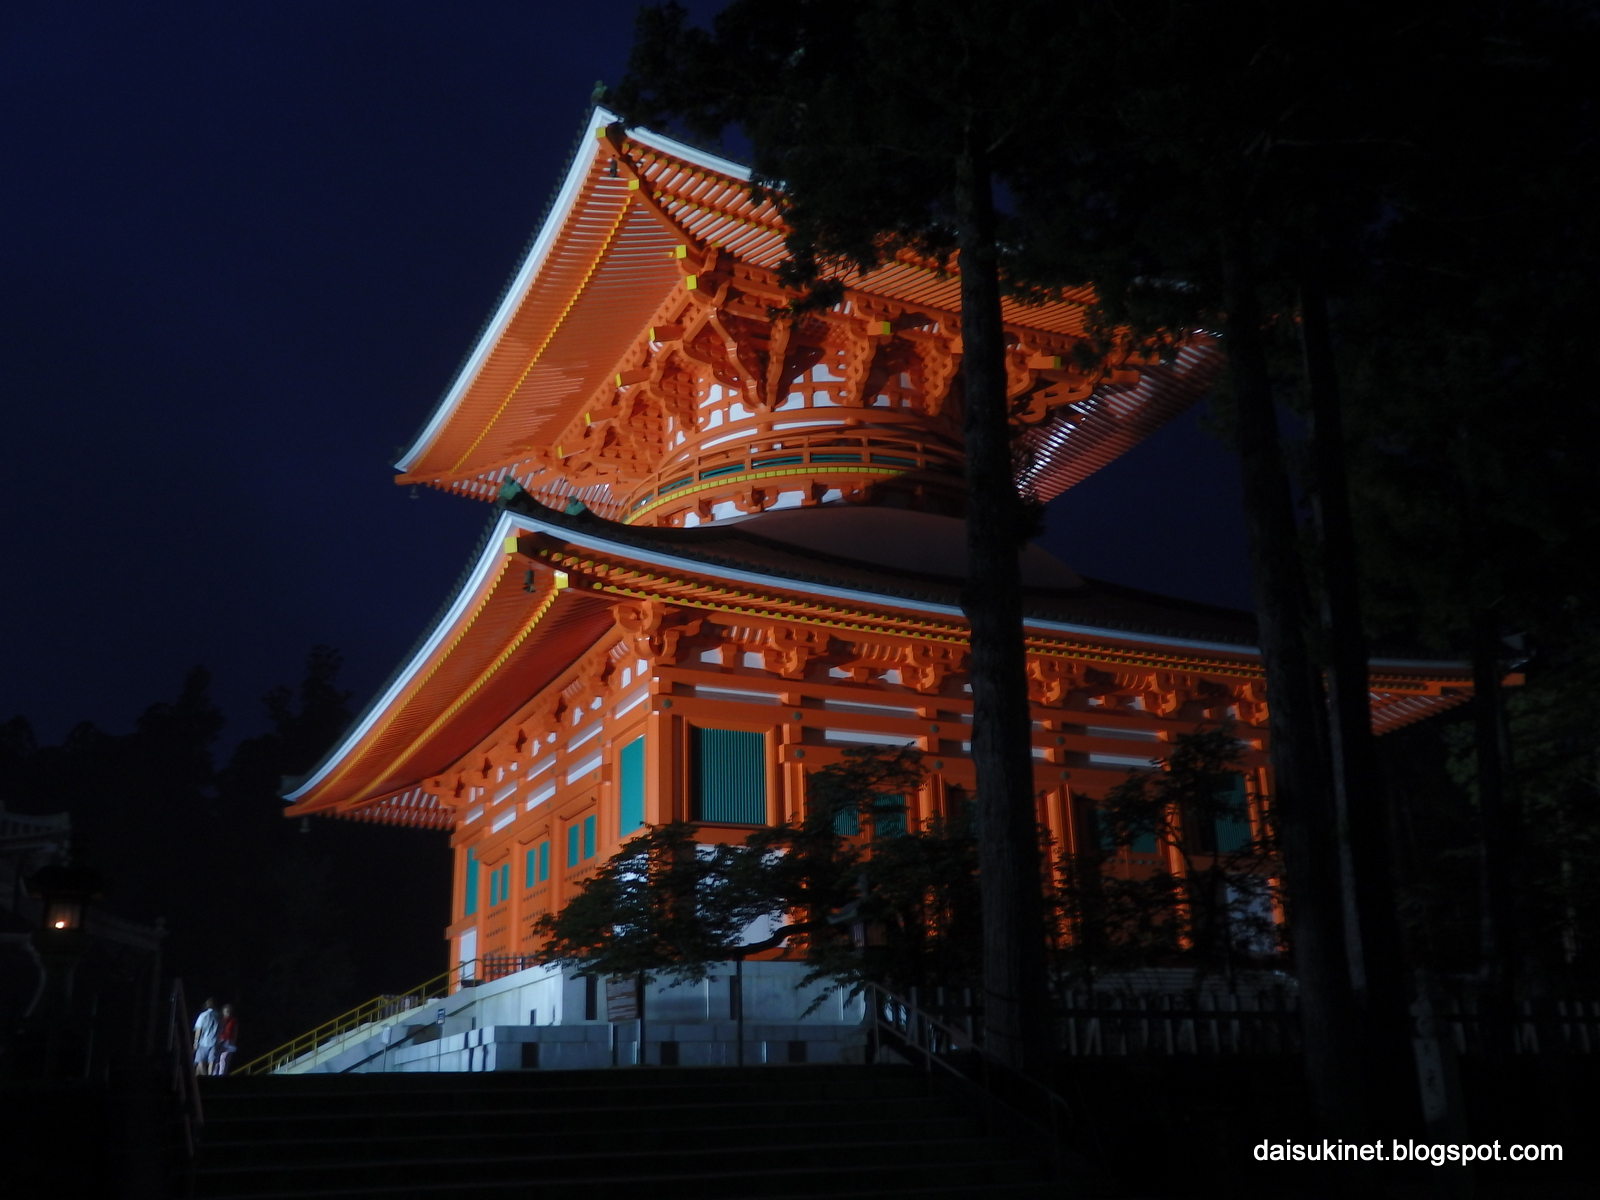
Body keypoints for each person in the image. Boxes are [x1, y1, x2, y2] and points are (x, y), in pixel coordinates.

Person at [192, 997, 219, 1077]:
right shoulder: (218, 1015)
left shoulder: (202, 1015)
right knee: (211, 1062)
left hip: (203, 1042)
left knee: (200, 1062)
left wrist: (195, 1042)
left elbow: (198, 1030)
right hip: (214, 1041)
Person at [215, 1004, 239, 1075]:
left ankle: (221, 1074)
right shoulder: (220, 1020)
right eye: (226, 1011)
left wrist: (233, 1042)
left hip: (229, 1041)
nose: (227, 1013)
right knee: (216, 1058)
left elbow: (235, 1032)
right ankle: (214, 1073)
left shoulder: (234, 1020)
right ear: (223, 1012)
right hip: (220, 1040)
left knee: (223, 1059)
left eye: (229, 1011)